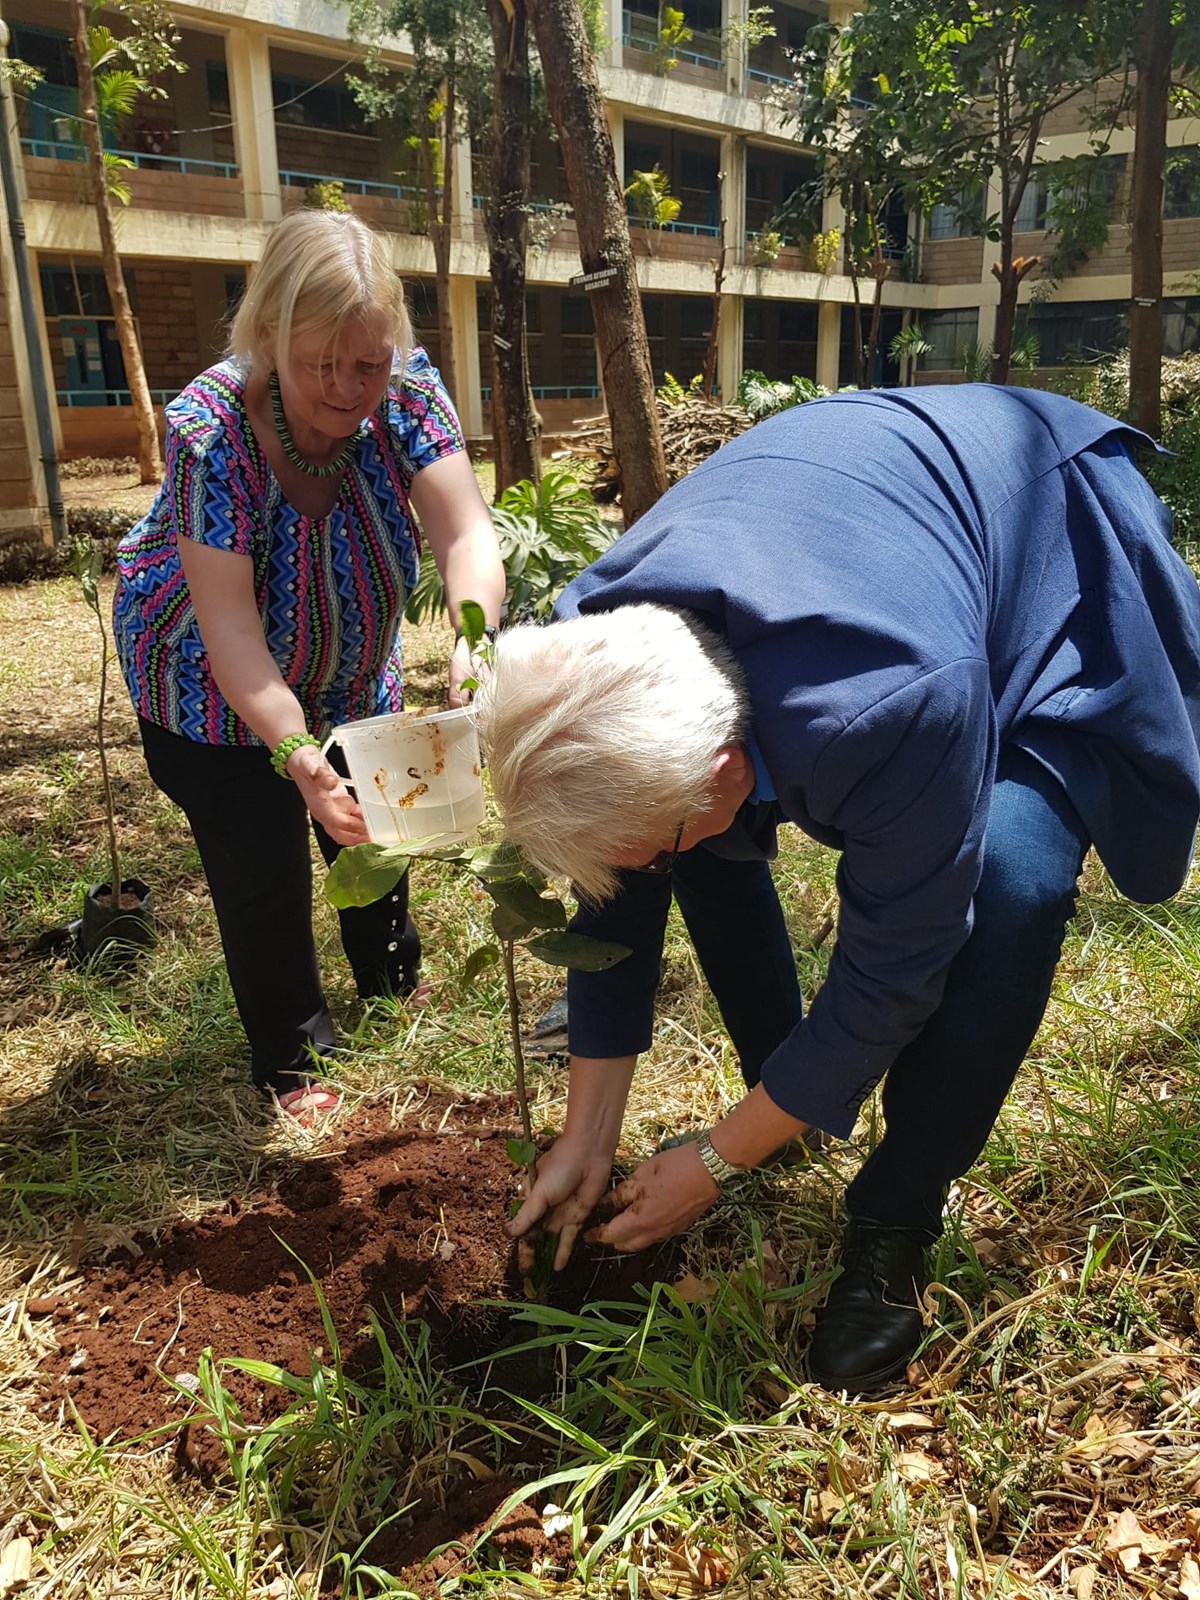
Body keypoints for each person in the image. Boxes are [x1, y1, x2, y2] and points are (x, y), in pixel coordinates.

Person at [475, 383, 1200, 1394]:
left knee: (1012, 885)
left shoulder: (891, 702)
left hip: (1047, 535)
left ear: (729, 769)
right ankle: (791, 1095)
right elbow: (620, 894)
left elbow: (893, 972)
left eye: (661, 839)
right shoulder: (586, 653)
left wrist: (719, 1158)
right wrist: (587, 1135)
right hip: (870, 529)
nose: (638, 873)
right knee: (667, 848)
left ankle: (895, 1218)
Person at [114, 211, 504, 1119]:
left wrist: (475, 641)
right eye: (315, 365)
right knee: (263, 858)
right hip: (209, 692)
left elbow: (464, 528)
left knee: (376, 822)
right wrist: (295, 754)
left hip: (348, 668)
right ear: (267, 340)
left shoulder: (404, 395)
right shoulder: (214, 433)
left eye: (364, 365)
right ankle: (293, 1058)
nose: (343, 389)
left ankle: (393, 979)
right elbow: (232, 633)